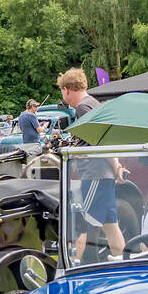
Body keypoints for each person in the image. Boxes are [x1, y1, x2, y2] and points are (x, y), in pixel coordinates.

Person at [58, 68, 126, 260]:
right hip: (103, 175)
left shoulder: (83, 107)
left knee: (81, 225)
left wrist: (115, 166)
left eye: (62, 92)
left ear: (66, 89)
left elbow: (101, 141)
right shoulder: (95, 104)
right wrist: (117, 167)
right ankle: (121, 262)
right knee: (111, 225)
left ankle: (74, 268)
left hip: (95, 174)